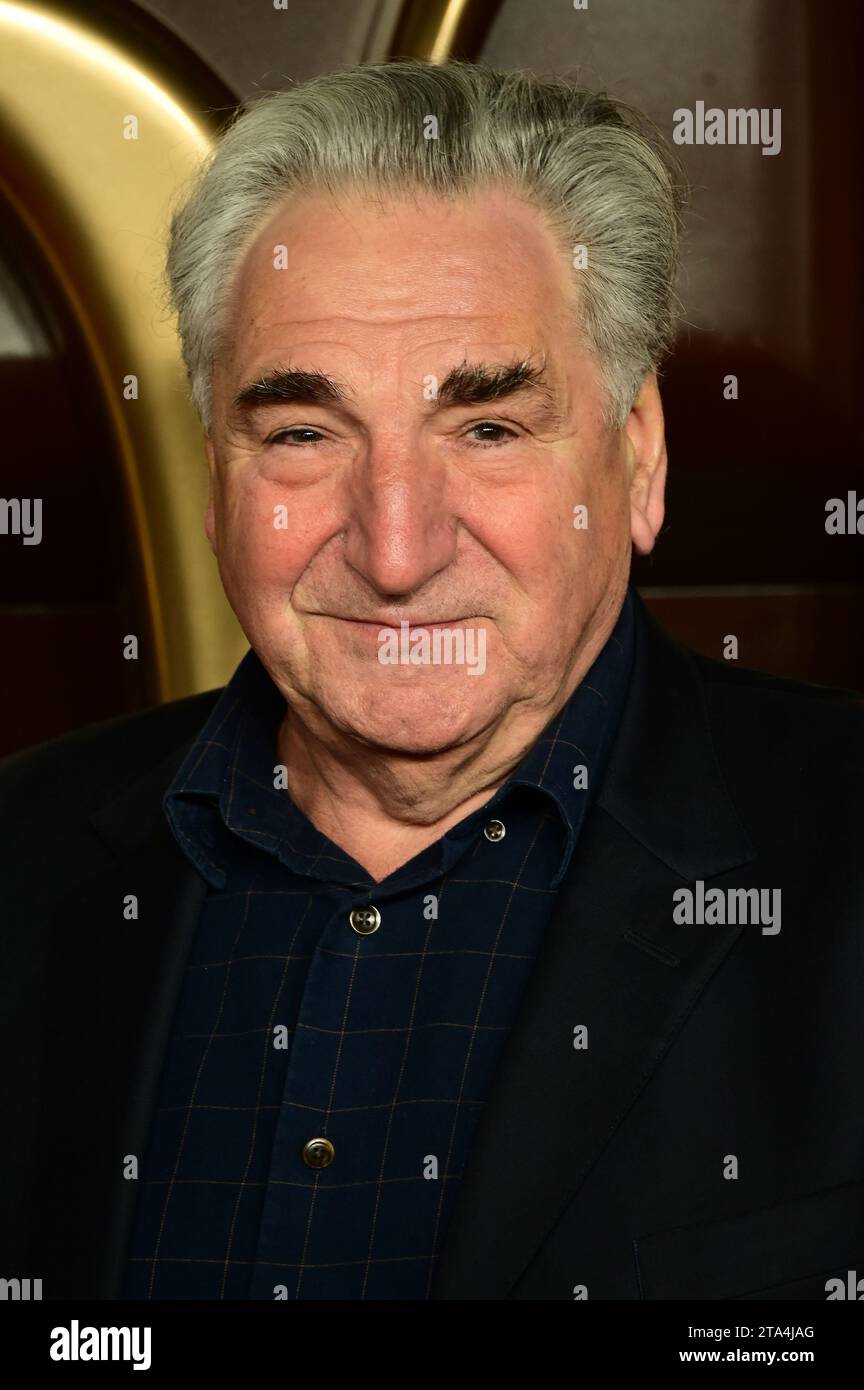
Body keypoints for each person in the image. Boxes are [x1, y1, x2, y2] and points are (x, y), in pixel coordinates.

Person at [1, 60, 862, 1302]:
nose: (395, 550)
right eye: (304, 433)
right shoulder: (18, 864)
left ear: (640, 456)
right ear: (216, 480)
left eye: (489, 429)